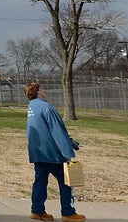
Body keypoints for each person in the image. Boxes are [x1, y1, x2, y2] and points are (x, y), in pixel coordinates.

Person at [25, 82, 85, 221]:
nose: (44, 90)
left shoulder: (32, 107)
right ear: (38, 91)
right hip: (52, 154)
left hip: (38, 153)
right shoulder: (46, 107)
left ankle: (37, 210)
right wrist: (68, 152)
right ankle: (68, 212)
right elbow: (57, 130)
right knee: (66, 182)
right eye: (42, 88)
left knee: (40, 181)